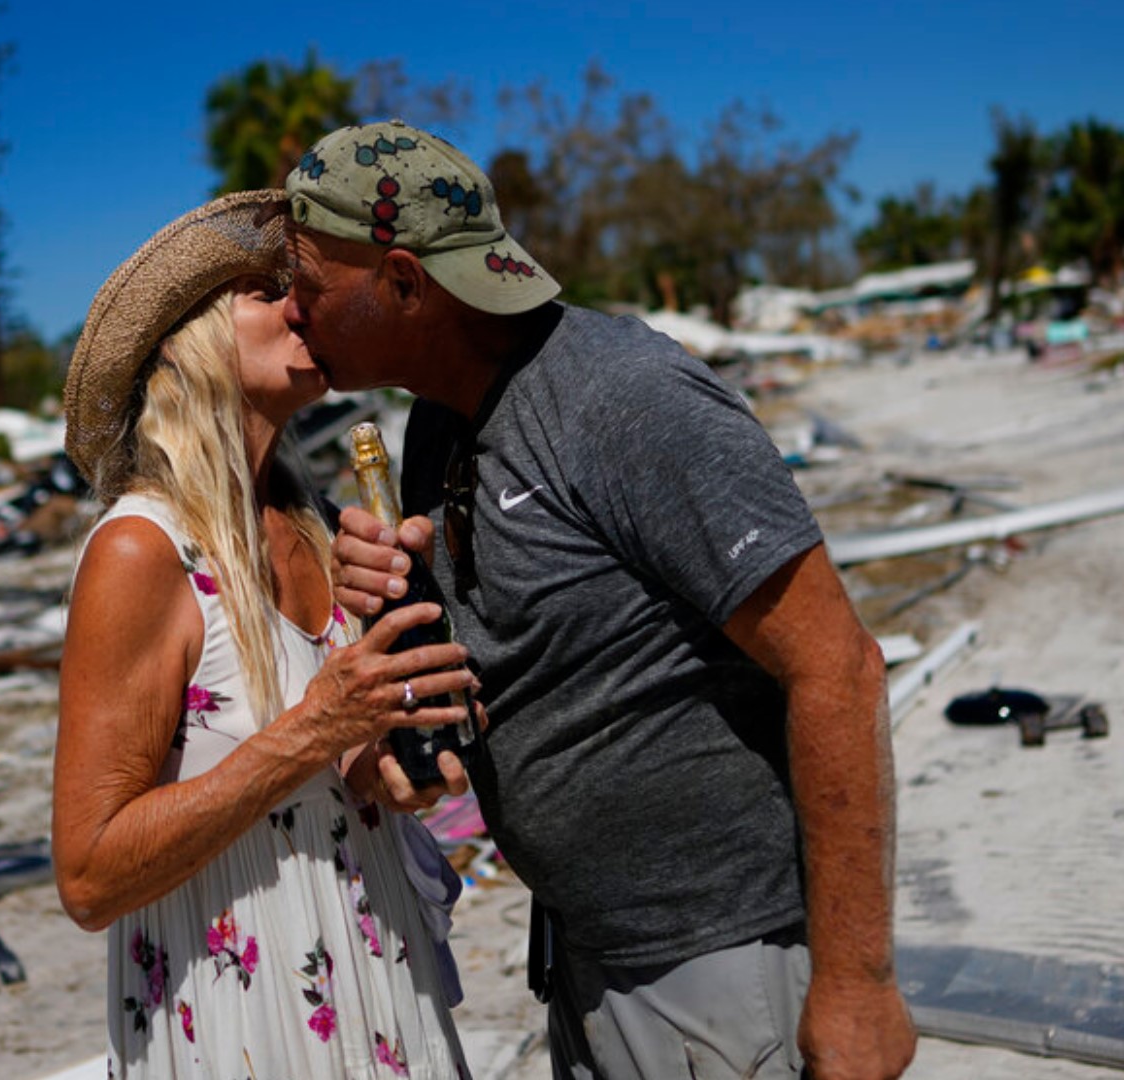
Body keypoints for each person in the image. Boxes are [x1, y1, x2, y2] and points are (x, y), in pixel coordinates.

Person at [280, 121, 918, 1080]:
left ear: (407, 284)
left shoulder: (625, 398)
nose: (293, 311)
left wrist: (860, 983)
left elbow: (839, 664)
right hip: (589, 958)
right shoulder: (434, 433)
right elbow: (521, 661)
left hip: (722, 961)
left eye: (310, 286)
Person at [55, 189, 479, 1079]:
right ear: (184, 342)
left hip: (372, 964)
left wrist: (390, 766)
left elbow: (333, 775)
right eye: (261, 292)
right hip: (241, 1001)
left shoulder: (319, 523)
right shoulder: (141, 550)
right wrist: (317, 728)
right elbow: (90, 876)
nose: (301, 305)